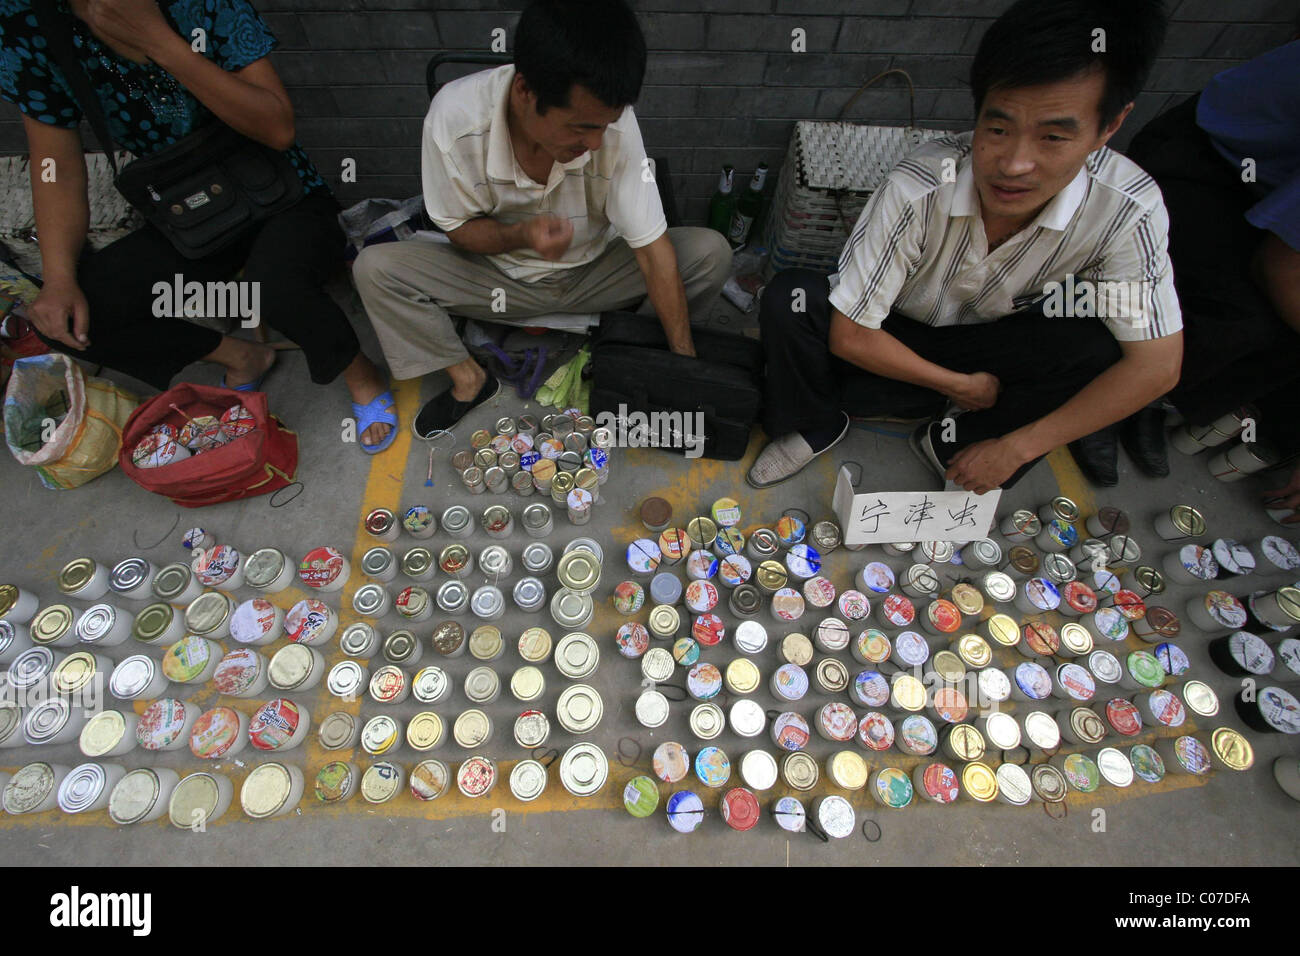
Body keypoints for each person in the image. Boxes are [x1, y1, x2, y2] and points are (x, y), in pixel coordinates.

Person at [748, 0, 1182, 494]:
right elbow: (851, 336)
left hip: (995, 341)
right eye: (997, 129)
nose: (1015, 164)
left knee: (1097, 340)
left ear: (1110, 126)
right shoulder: (920, 186)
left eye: (1053, 137)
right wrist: (959, 385)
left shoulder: (1128, 208)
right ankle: (818, 422)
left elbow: (1157, 367)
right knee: (790, 299)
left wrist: (1019, 446)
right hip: (896, 336)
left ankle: (954, 444)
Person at [1, 0, 397, 453]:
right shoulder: (25, 20)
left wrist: (158, 41)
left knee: (275, 285)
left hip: (281, 191)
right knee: (67, 315)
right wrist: (58, 278)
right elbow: (55, 164)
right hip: (188, 215)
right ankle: (242, 355)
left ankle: (359, 372)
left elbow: (277, 126)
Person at [351, 0, 732, 438]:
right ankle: (470, 379)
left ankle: (623, 351)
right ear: (525, 92)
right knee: (374, 271)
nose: (593, 143)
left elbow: (651, 252)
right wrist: (521, 235)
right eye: (579, 127)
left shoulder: (615, 127)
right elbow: (457, 230)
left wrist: (682, 363)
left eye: (603, 127)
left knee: (709, 253)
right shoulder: (452, 120)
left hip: (593, 275)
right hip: (497, 280)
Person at [1071, 36, 1300, 502]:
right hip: (1209, 161)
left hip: (1271, 190)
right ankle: (1097, 393)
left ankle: (1151, 398)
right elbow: (1279, 266)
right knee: (1243, 318)